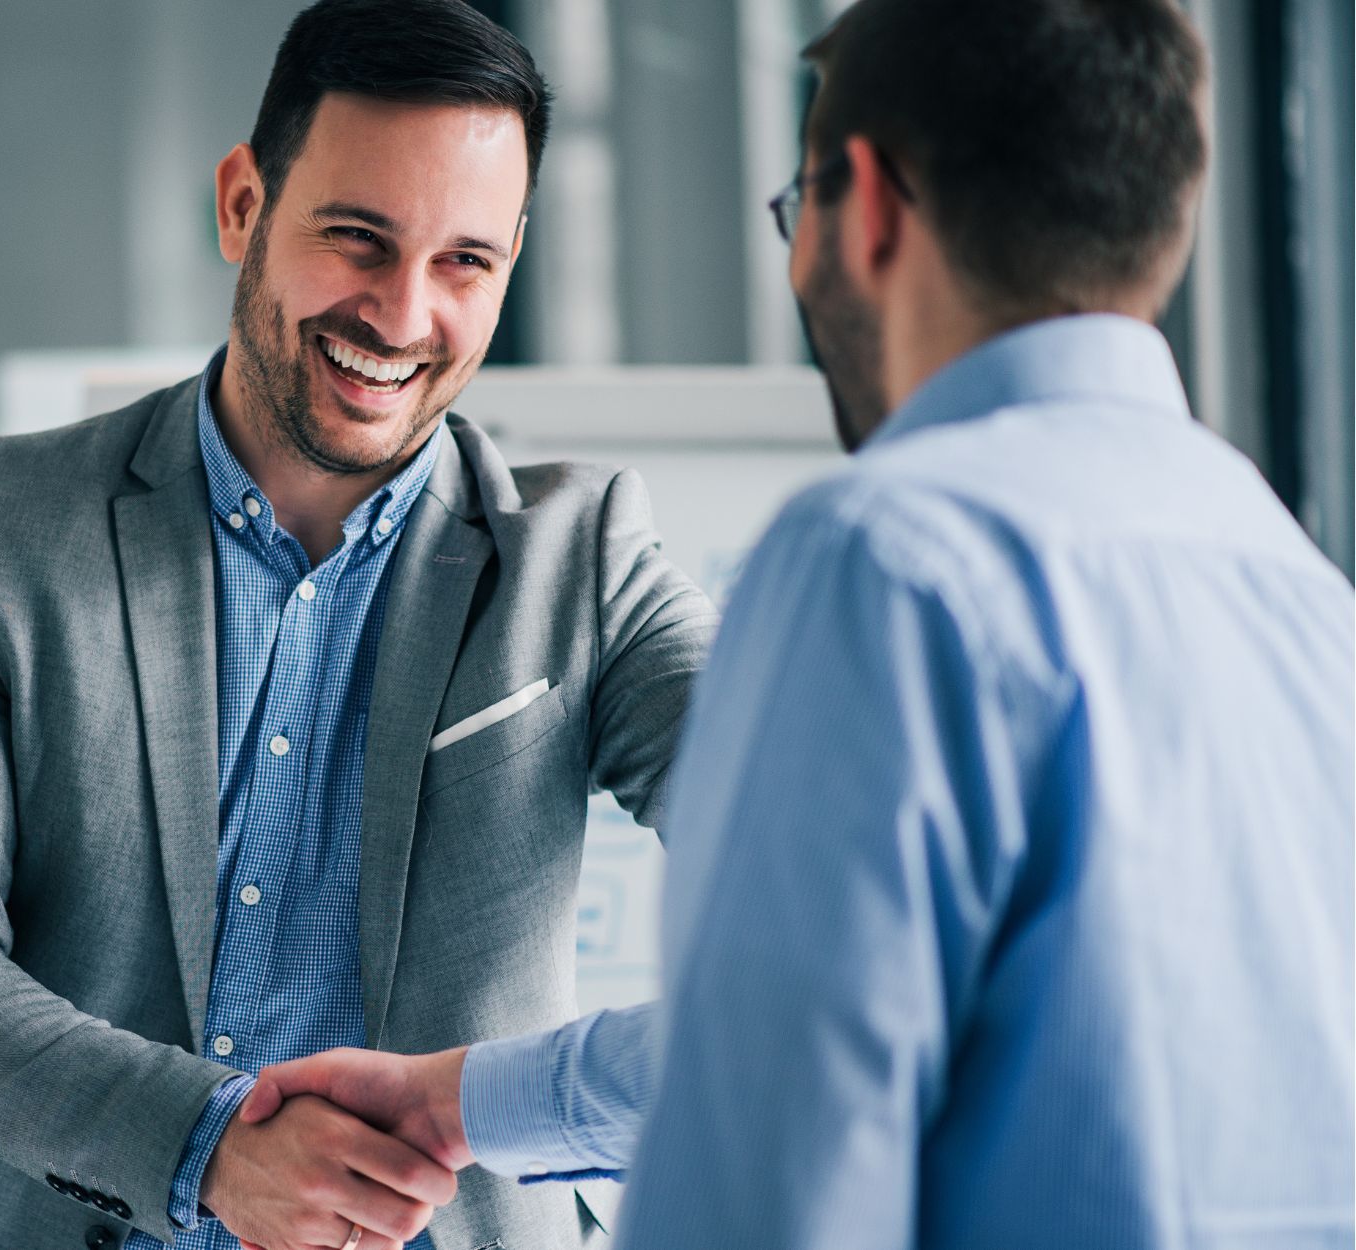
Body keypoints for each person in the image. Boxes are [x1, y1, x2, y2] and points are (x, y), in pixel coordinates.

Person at [236, 0, 1356, 1246]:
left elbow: (770, 1164)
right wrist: (465, 1100)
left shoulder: (884, 560)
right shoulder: (1301, 596)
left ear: (863, 202)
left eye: (794, 206)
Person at [0, 2, 717, 1248]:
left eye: (465, 262)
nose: (401, 315)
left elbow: (813, 854)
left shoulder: (585, 559)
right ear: (243, 205)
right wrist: (205, 1145)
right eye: (357, 238)